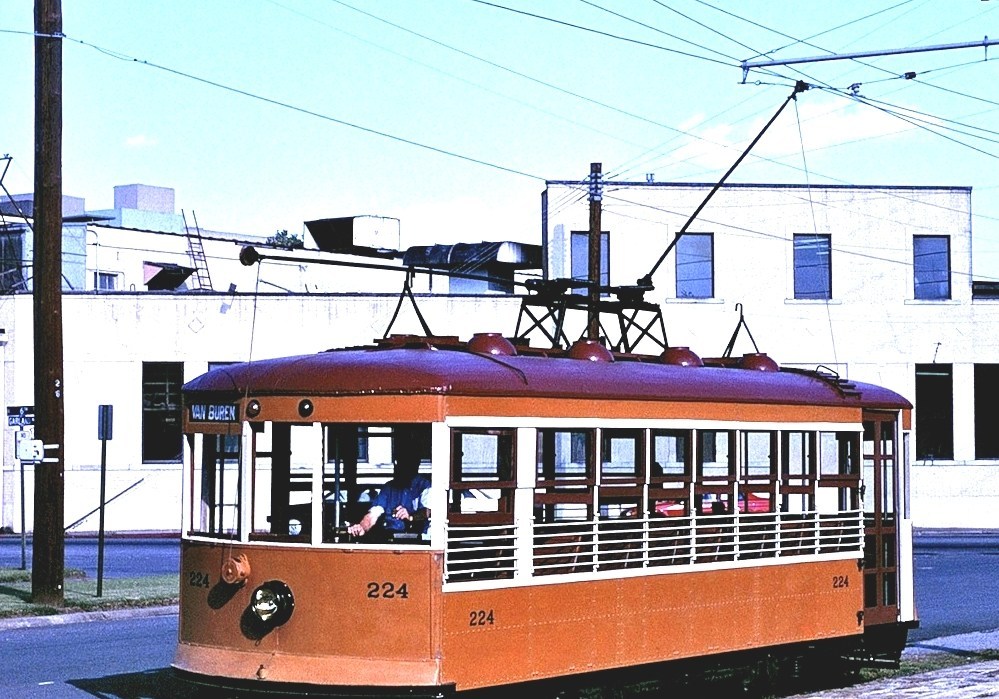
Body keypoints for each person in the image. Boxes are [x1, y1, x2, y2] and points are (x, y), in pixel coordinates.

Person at [347, 451, 430, 539]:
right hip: (390, 537)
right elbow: (373, 514)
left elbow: (428, 511)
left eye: (406, 462)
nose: (399, 466)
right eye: (398, 462)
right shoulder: (389, 487)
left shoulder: (425, 486)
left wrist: (411, 517)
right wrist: (362, 527)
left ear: (415, 464)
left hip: (417, 539)